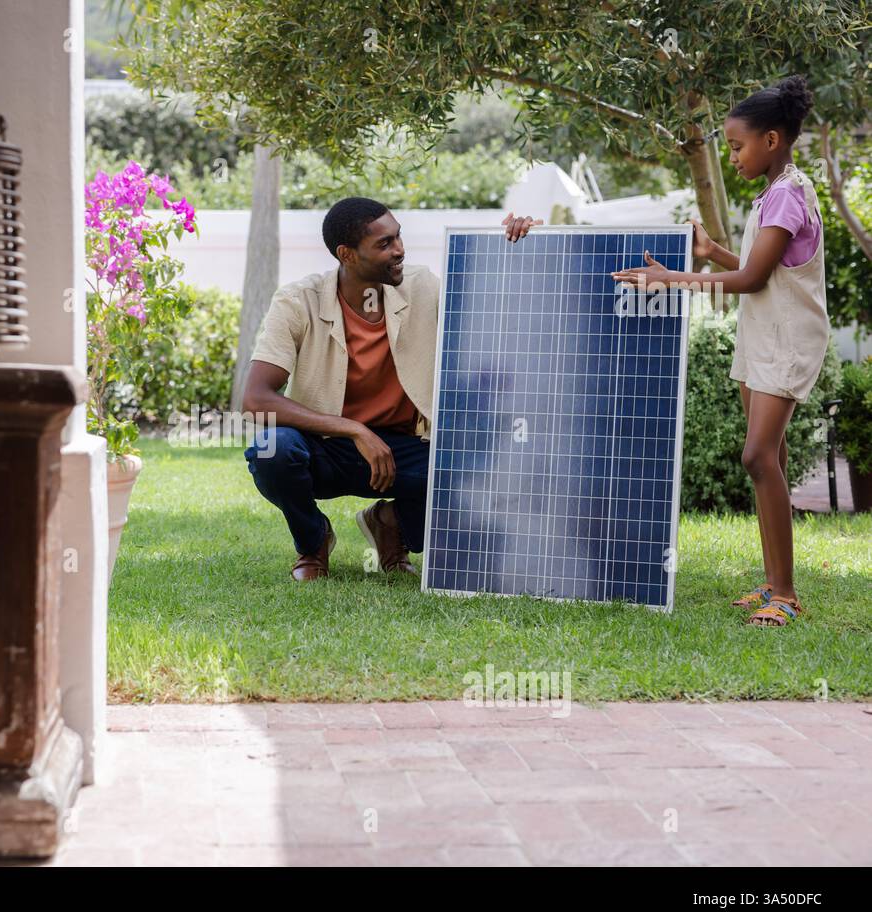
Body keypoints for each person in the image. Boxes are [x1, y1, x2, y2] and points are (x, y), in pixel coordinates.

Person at [606, 76, 829, 627]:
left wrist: (671, 279)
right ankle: (774, 581)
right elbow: (760, 269)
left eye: (736, 145)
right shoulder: (778, 191)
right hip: (762, 334)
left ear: (771, 140)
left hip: (786, 339)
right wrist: (712, 252)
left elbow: (754, 280)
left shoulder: (786, 194)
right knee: (766, 459)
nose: (731, 156)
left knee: (758, 456)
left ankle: (786, 594)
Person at [240, 196, 535, 581]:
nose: (399, 250)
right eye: (384, 244)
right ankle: (313, 543)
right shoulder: (298, 302)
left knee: (478, 463)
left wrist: (517, 246)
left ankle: (389, 521)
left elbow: (491, 311)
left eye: (398, 237)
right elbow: (255, 399)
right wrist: (354, 429)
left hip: (403, 450)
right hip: (327, 449)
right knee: (271, 451)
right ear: (347, 254)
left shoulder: (422, 287)